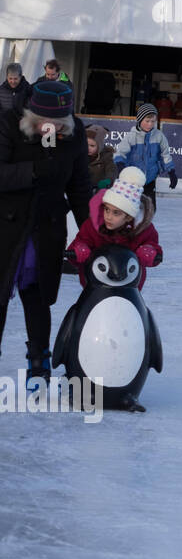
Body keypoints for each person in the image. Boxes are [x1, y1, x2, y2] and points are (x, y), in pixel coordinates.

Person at [0, 80, 93, 388]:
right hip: (7, 224)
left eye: (57, 124)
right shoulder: (8, 123)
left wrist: (92, 231)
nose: (49, 128)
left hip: (47, 224)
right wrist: (34, 170)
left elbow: (79, 187)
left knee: (38, 296)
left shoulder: (74, 132)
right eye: (43, 123)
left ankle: (39, 361)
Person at [69, 167, 162, 290]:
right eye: (107, 210)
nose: (108, 217)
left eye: (116, 213)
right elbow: (80, 242)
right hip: (95, 287)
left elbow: (153, 246)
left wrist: (150, 251)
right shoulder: (92, 226)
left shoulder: (143, 230)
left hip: (129, 288)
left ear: (128, 217)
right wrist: (79, 249)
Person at [114, 103, 176, 203]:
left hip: (150, 179)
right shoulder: (131, 137)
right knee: (131, 207)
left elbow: (165, 155)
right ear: (140, 119)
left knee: (150, 207)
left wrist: (171, 172)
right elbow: (120, 153)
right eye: (147, 121)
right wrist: (120, 166)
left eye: (153, 121)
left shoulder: (159, 136)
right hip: (133, 180)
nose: (150, 124)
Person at [84, 124, 118, 190]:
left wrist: (107, 180)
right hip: (82, 188)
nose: (88, 148)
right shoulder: (80, 155)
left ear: (99, 146)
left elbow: (112, 171)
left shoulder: (106, 156)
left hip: (99, 188)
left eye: (92, 146)